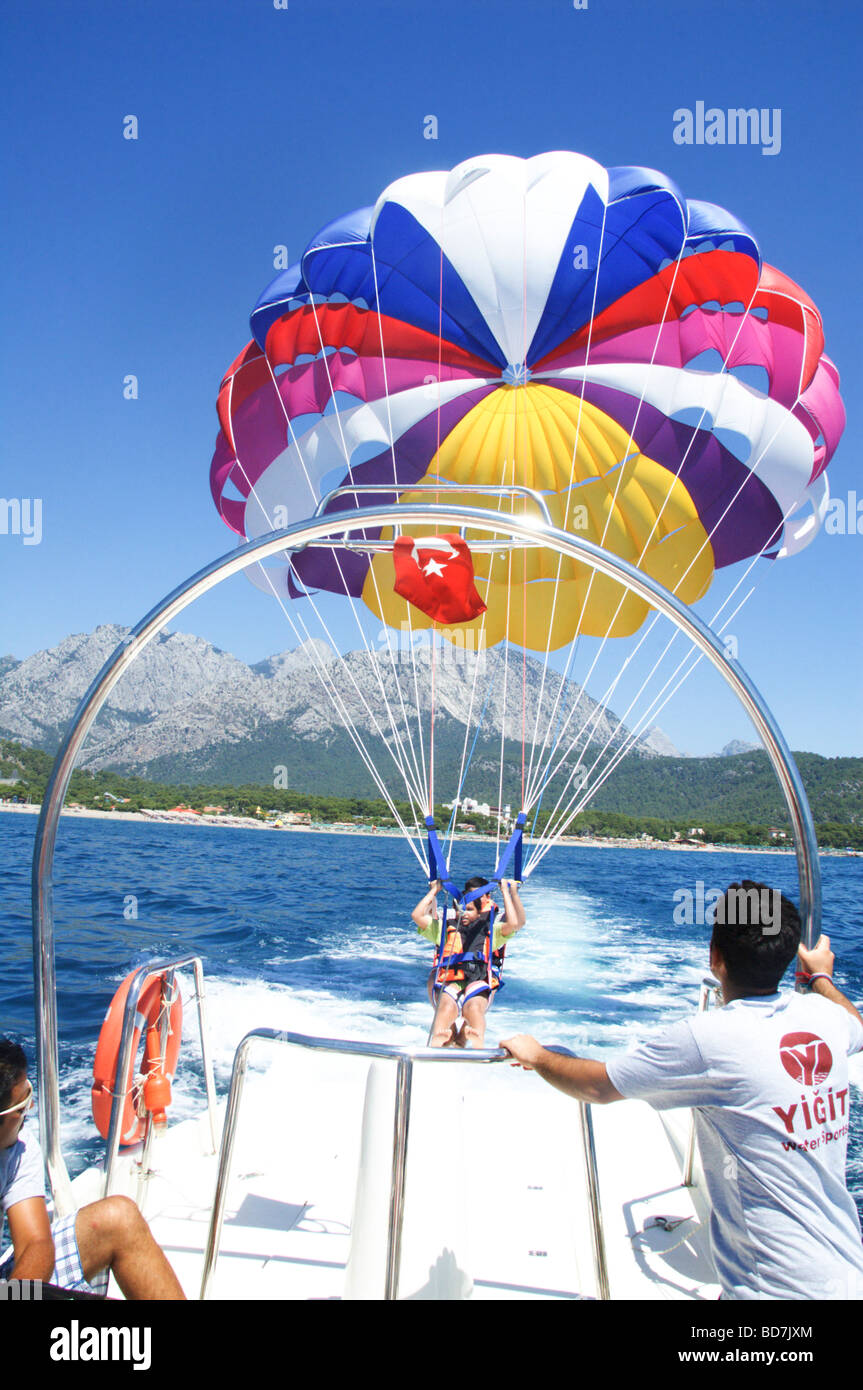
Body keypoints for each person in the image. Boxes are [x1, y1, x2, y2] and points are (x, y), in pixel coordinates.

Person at [501, 880, 863, 1301]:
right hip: (847, 1271)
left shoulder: (707, 1040)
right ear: (786, 956)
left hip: (773, 1290)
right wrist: (820, 976)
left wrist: (537, 1055)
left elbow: (597, 1087)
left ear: (715, 958)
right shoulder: (823, 1017)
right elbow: (854, 1022)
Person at [0, 1038, 185, 1299]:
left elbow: (35, 1242)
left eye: (30, 1092)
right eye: (21, 1107)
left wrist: (17, 1297)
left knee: (118, 1218)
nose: (30, 1108)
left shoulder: (19, 1147)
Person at [413, 876, 525, 1048]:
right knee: (446, 1007)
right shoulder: (444, 929)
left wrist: (507, 893)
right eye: (460, 909)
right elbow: (417, 915)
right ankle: (440, 1036)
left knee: (473, 1009)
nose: (463, 913)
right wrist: (434, 890)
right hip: (451, 981)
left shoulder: (490, 932)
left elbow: (515, 923)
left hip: (477, 980)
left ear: (479, 912)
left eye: (469, 909)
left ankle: (476, 1037)